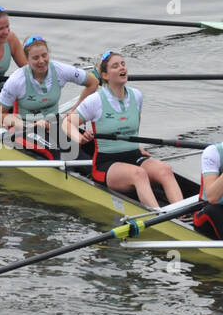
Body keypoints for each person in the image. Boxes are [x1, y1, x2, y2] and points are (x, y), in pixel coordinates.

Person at [62, 51, 185, 210]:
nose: (122, 68)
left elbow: (134, 125)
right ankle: (160, 218)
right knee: (139, 174)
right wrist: (79, 139)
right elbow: (66, 123)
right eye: (115, 66)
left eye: (123, 64)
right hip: (106, 163)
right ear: (105, 75)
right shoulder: (96, 100)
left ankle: (181, 214)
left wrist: (137, 144)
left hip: (134, 156)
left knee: (165, 170)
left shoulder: (137, 96)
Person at [0, 35, 98, 153]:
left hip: (53, 123)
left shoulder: (59, 70)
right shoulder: (16, 80)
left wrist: (74, 113)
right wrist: (26, 125)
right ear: (27, 59)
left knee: (92, 147)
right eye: (36, 58)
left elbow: (93, 83)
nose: (42, 61)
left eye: (44, 55)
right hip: (25, 129)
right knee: (62, 153)